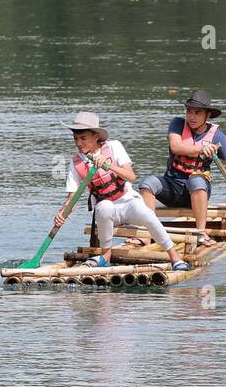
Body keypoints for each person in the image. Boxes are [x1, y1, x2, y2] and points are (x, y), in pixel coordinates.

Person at [55, 112, 190, 271]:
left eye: (83, 138)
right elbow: (72, 197)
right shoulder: (76, 162)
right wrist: (62, 213)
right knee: (104, 206)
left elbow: (131, 177)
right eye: (75, 139)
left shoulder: (113, 146)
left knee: (146, 213)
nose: (78, 143)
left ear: (96, 136)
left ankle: (174, 257)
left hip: (127, 203)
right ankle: (106, 255)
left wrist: (109, 165)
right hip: (107, 212)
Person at [138, 90, 226, 246]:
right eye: (189, 111)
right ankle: (147, 233)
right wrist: (201, 149)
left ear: (207, 115)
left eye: (197, 113)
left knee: (196, 181)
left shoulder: (218, 136)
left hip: (196, 192)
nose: (192, 116)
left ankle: (200, 234)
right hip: (173, 187)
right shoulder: (177, 124)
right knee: (147, 183)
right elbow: (176, 147)